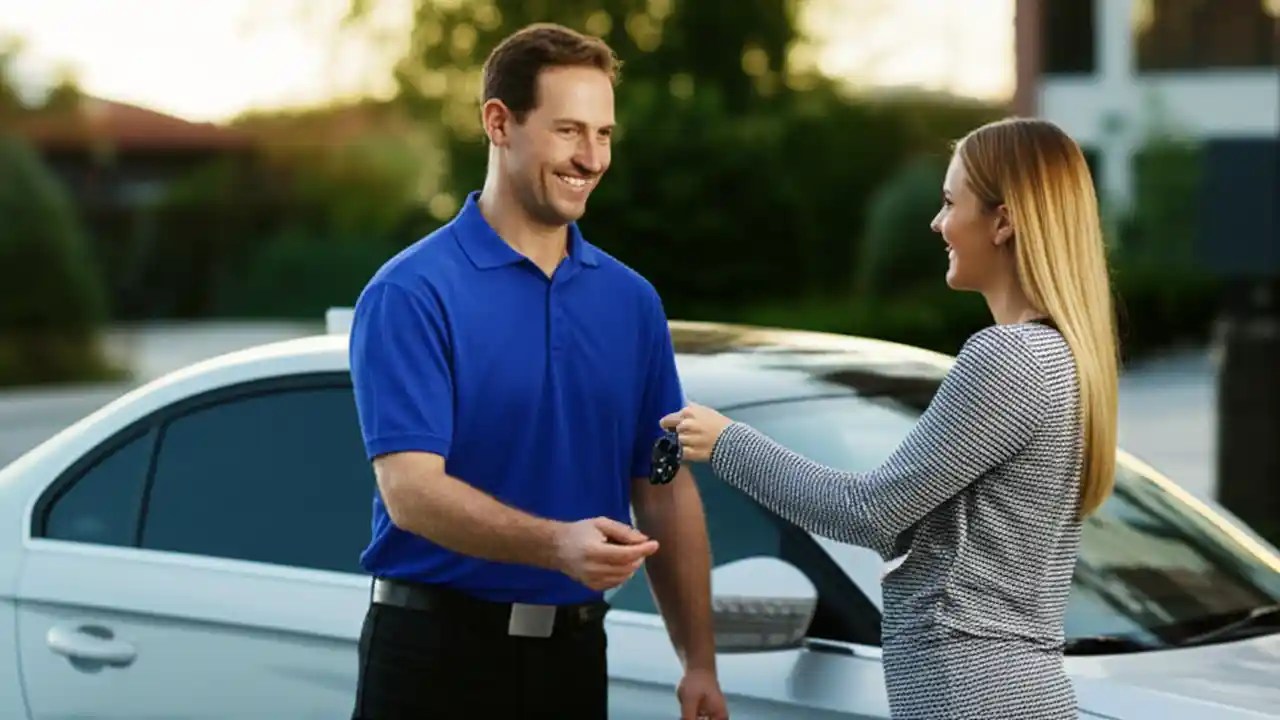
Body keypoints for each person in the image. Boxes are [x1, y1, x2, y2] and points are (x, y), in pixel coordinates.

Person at [662, 117, 1119, 719]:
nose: (936, 223)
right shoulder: (1062, 356)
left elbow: (869, 512)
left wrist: (727, 442)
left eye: (950, 202)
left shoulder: (1008, 357)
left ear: (1003, 222)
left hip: (970, 694)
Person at [347, 22, 729, 720]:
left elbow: (662, 485)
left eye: (604, 134)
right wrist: (557, 545)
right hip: (433, 662)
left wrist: (699, 662)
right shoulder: (411, 293)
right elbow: (411, 492)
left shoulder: (631, 302)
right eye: (568, 131)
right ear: (499, 123)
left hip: (574, 661)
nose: (592, 158)